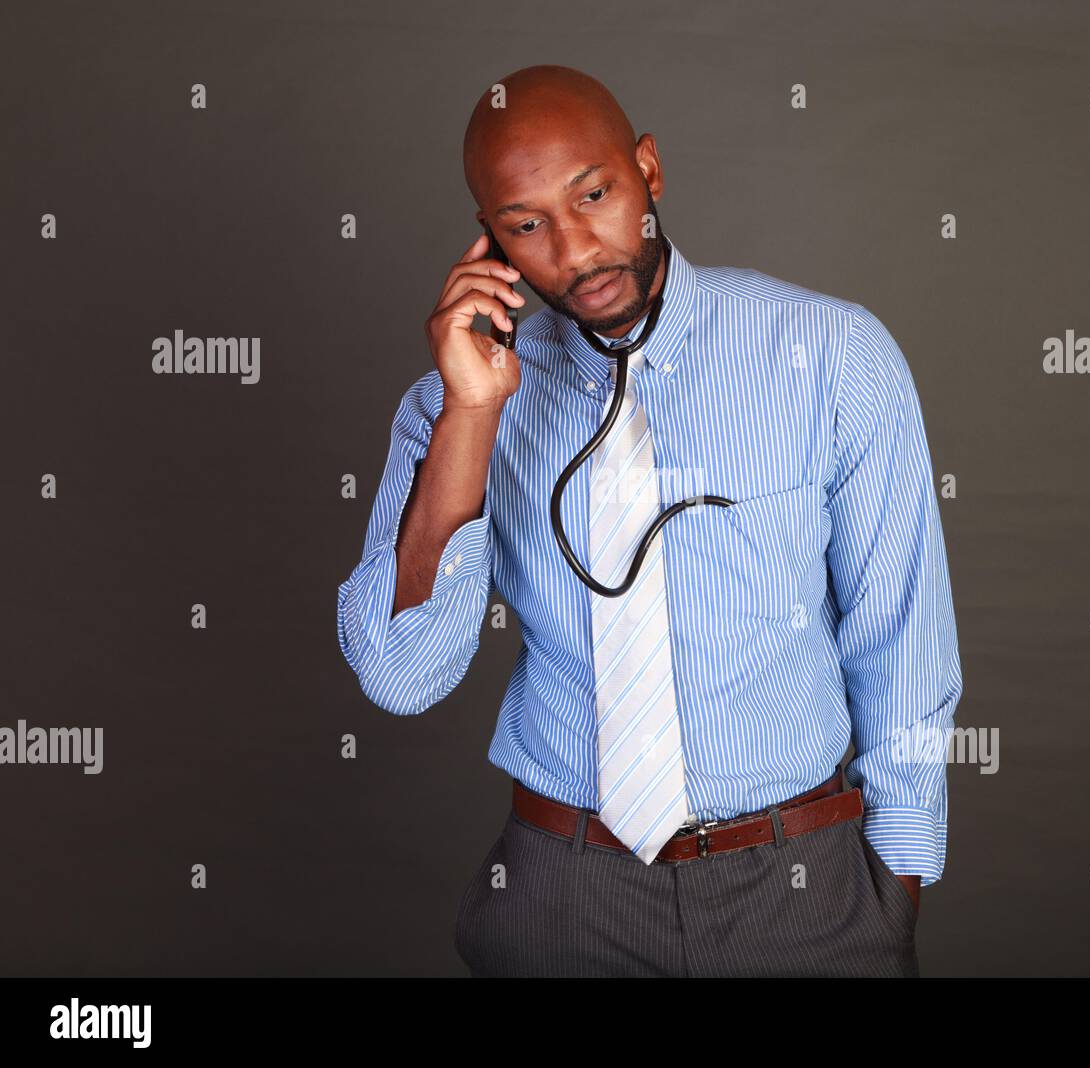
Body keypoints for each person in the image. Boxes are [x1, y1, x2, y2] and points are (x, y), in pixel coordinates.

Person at [336, 64, 962, 977]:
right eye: (528, 225)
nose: (578, 247)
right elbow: (400, 677)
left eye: (595, 194)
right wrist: (473, 414)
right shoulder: (452, 409)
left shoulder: (829, 354)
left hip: (803, 886)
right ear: (490, 242)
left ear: (649, 172)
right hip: (563, 892)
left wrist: (892, 893)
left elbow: (900, 636)